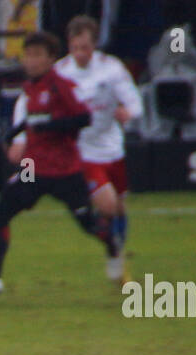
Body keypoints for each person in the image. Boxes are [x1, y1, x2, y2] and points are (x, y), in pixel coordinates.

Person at [0, 31, 119, 295]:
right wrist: (13, 133)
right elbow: (34, 119)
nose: (31, 61)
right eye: (28, 55)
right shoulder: (30, 86)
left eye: (37, 56)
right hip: (32, 168)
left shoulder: (60, 85)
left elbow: (83, 118)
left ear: (50, 59)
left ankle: (112, 245)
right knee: (0, 214)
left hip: (64, 170)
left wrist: (52, 127)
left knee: (88, 223)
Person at [54, 15, 142, 282]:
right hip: (82, 150)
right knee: (107, 204)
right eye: (75, 47)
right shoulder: (59, 72)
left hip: (113, 146)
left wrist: (129, 112)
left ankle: (116, 252)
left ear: (95, 45)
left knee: (120, 208)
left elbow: (135, 101)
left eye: (85, 47)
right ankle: (114, 254)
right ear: (69, 45)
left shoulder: (111, 69)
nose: (80, 53)